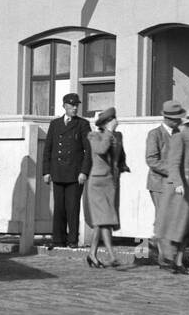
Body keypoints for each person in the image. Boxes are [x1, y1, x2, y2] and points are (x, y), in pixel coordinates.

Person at [155, 106, 189, 273]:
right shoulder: (180, 138)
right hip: (180, 191)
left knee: (188, 228)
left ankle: (178, 261)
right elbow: (174, 164)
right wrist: (178, 183)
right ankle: (170, 259)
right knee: (176, 226)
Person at [43, 93, 91, 249]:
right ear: (64, 106)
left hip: (74, 174)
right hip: (57, 172)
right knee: (59, 208)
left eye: (76, 105)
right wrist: (46, 171)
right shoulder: (55, 124)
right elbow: (48, 149)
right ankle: (58, 240)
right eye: (71, 106)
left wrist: (84, 171)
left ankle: (72, 240)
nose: (75, 108)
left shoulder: (83, 124)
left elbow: (88, 151)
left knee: (72, 208)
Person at [141, 100, 184, 264]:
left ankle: (164, 254)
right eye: (177, 118)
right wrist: (173, 171)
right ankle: (161, 256)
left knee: (172, 219)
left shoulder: (179, 133)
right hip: (159, 183)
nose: (179, 121)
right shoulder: (155, 134)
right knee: (162, 218)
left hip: (174, 183)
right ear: (168, 118)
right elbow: (152, 160)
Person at [85, 107, 129, 269]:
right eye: (112, 120)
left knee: (103, 221)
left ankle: (92, 255)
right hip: (97, 183)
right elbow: (101, 150)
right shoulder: (94, 136)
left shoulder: (118, 136)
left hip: (110, 182)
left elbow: (120, 155)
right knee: (103, 220)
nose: (115, 121)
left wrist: (122, 166)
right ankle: (111, 255)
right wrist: (109, 132)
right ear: (105, 123)